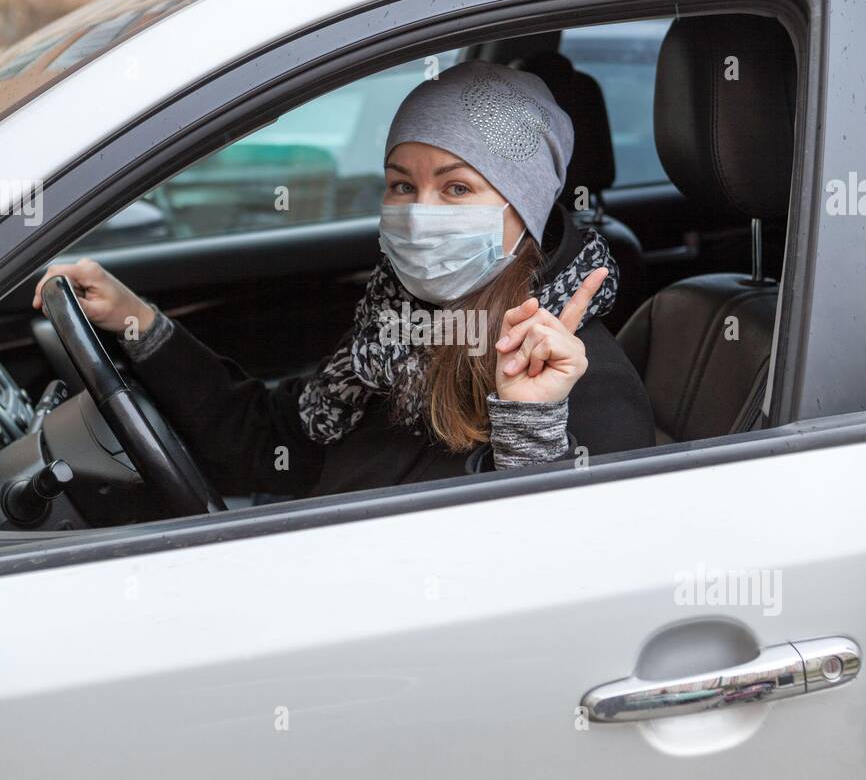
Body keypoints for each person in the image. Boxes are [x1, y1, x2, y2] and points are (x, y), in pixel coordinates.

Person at [34, 62, 655, 499]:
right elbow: (271, 441)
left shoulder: (580, 384)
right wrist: (138, 321)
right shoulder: (397, 327)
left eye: (457, 187)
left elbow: (551, 577)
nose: (419, 212)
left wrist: (529, 428)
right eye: (401, 184)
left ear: (527, 205)